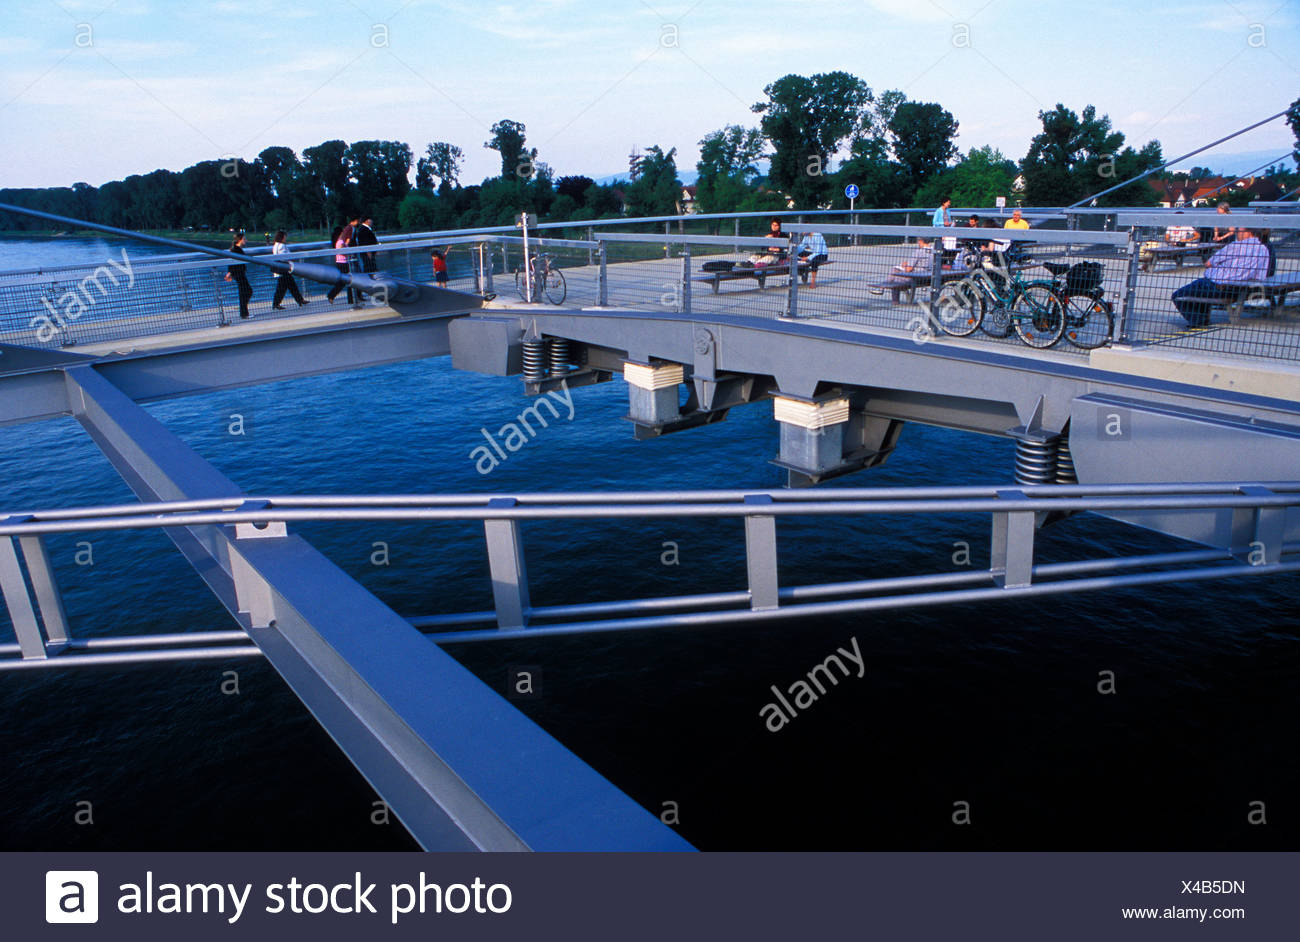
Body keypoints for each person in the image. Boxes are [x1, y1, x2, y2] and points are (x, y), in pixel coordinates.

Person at [1171, 227, 1268, 327]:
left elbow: (1208, 263)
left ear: (1248, 232)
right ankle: (1201, 318)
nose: (1236, 232)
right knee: (1199, 289)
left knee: (1178, 295)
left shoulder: (1236, 246)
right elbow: (1261, 275)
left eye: (1239, 230)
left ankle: (1198, 321)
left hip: (1220, 287)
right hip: (1243, 290)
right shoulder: (1264, 249)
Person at [874, 237, 935, 303]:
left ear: (921, 241)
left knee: (895, 278)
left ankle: (893, 300)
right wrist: (908, 263)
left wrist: (905, 266)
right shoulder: (934, 251)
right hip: (928, 277)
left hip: (916, 278)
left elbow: (909, 269)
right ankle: (882, 287)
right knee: (895, 271)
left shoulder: (919, 252)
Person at [269, 230, 307, 310]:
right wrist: (291, 258)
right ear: (282, 237)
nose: (285, 239)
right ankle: (299, 301)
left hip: (279, 269)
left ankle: (299, 300)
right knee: (286, 287)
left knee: (286, 286)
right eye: (285, 237)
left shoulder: (275, 245)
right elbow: (285, 257)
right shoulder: (282, 246)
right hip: (284, 268)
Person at [223, 232, 253, 319]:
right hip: (238, 273)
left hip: (239, 273)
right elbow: (232, 263)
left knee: (245, 291)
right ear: (239, 240)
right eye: (244, 239)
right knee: (247, 291)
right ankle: (244, 313)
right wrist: (229, 273)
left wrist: (230, 273)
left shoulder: (236, 248)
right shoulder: (235, 249)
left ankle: (244, 312)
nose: (246, 240)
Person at [326, 225, 355, 304]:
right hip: (343, 263)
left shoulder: (339, 241)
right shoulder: (340, 242)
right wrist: (349, 253)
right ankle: (332, 295)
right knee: (346, 281)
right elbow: (343, 251)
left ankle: (333, 295)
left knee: (345, 281)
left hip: (340, 263)